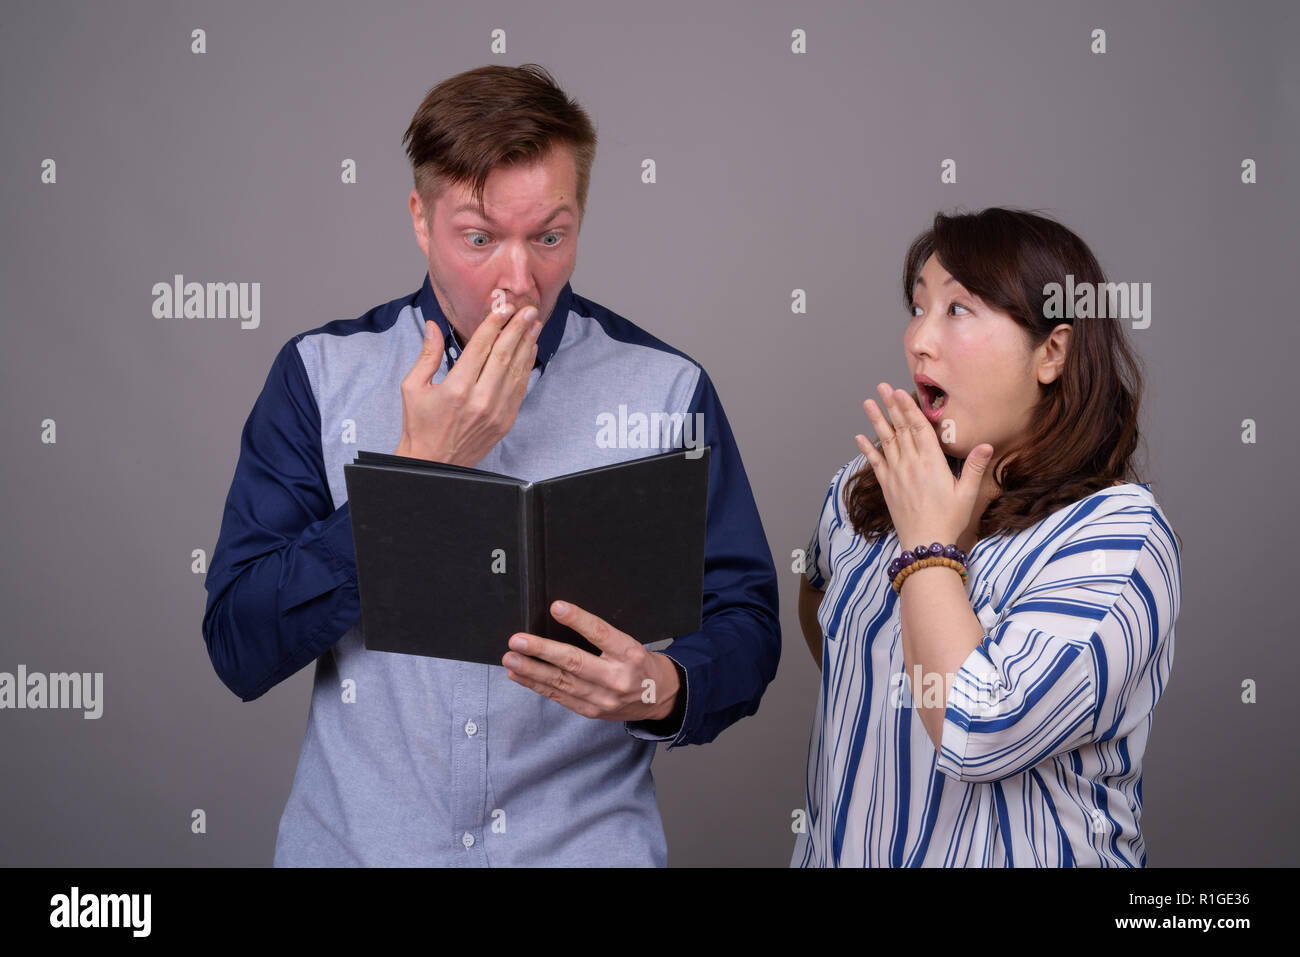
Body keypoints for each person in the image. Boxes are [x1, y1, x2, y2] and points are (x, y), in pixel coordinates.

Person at [201, 63, 780, 866]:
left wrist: (662, 686)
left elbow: (747, 624)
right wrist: (415, 474)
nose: (521, 282)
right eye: (479, 238)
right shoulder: (317, 375)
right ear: (419, 218)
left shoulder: (667, 388)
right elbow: (239, 642)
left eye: (550, 236)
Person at [793, 208, 1181, 867]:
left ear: (1051, 352)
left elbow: (979, 731)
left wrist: (929, 548)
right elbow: (824, 610)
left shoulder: (1114, 533)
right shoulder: (865, 489)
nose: (918, 338)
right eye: (918, 307)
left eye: (958, 310)